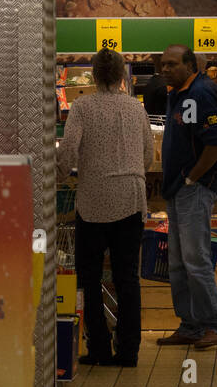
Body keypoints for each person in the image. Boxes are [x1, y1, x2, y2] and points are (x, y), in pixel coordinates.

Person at [55, 46, 152, 367]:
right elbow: (148, 155)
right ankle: (129, 351)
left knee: (90, 276)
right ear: (122, 75)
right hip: (131, 197)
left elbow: (68, 151)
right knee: (127, 278)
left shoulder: (82, 107)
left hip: (94, 200)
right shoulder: (136, 109)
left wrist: (59, 173)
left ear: (94, 75)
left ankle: (97, 346)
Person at [157, 44, 217, 350]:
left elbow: (215, 144)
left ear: (190, 66)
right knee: (177, 262)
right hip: (178, 187)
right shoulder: (178, 92)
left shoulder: (202, 92)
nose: (165, 70)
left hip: (193, 189)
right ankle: (190, 324)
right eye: (162, 65)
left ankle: (216, 326)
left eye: (172, 64)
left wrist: (192, 178)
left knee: (195, 259)